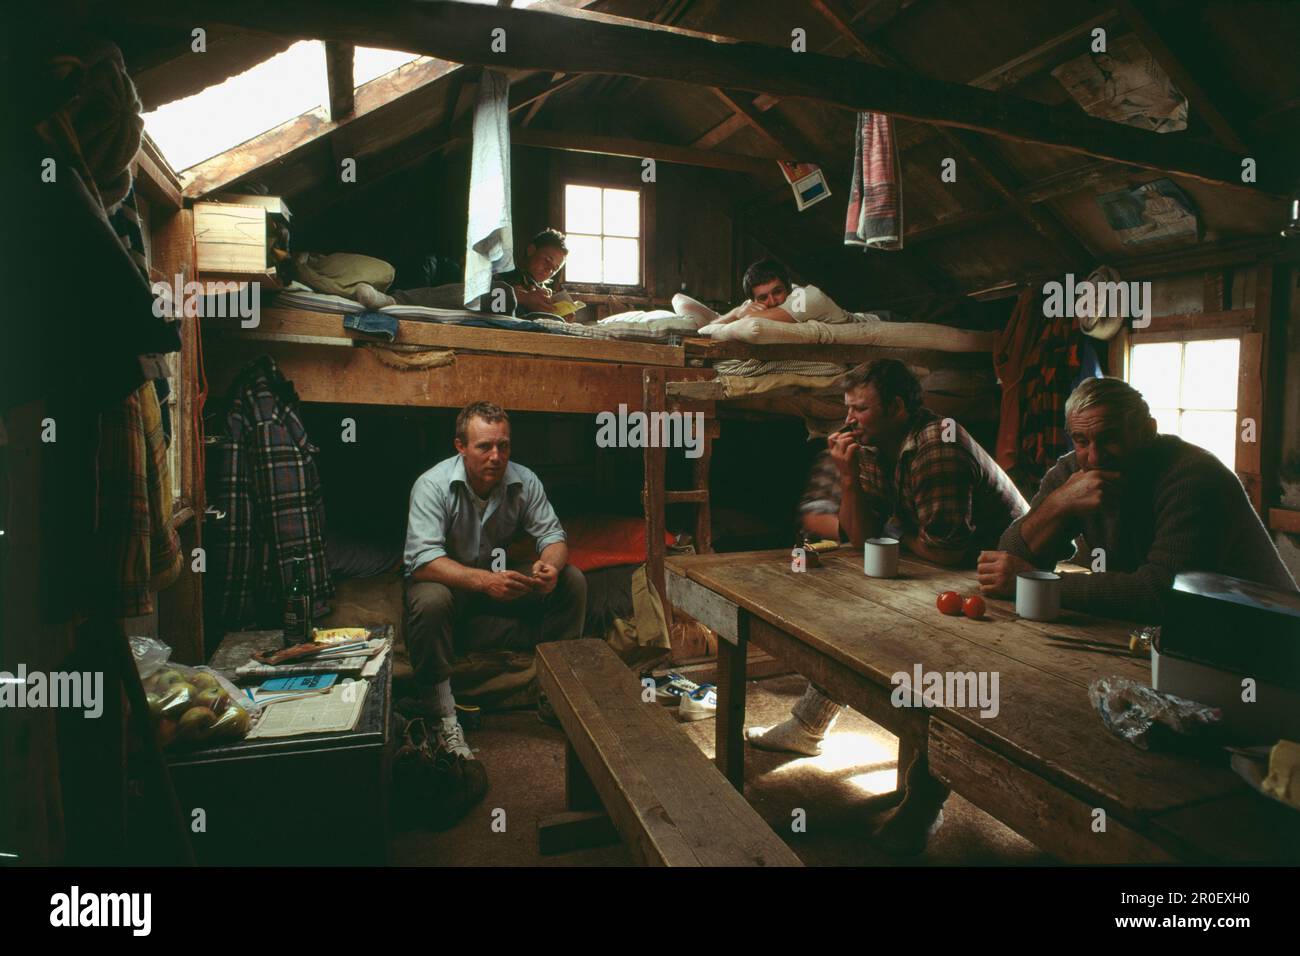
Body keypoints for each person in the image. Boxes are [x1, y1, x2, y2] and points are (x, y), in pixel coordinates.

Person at [746, 359, 1029, 854]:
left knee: (936, 666)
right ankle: (810, 723)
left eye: (862, 409)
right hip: (944, 563)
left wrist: (890, 535)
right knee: (853, 609)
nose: (850, 420)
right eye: (847, 408)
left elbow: (947, 551)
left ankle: (925, 802)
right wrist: (847, 475)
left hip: (1001, 572)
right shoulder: (871, 444)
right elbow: (861, 537)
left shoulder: (936, 446)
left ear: (898, 407)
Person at [977, 377, 1297, 619]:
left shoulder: (1193, 476)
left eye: (1110, 438)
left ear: (1148, 431)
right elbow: (1007, 561)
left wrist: (1036, 585)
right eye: (1081, 440)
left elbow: (1160, 594)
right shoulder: (1073, 472)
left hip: (1265, 635)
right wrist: (1060, 503)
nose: (1095, 455)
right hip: (1187, 631)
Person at [403, 402, 587, 768]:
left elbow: (553, 536)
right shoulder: (432, 485)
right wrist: (485, 582)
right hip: (453, 583)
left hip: (495, 577)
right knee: (429, 601)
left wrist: (548, 567)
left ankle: (555, 698)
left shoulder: (524, 480)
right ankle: (443, 718)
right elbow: (421, 562)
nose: (496, 456)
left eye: (503, 446)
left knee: (571, 580)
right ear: (460, 446)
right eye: (484, 446)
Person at [355, 228, 577, 319]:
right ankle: (392, 300)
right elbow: (483, 291)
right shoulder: (506, 267)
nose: (549, 269)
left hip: (510, 321)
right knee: (492, 291)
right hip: (483, 302)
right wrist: (525, 297)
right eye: (547, 260)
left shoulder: (544, 292)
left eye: (555, 268)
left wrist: (558, 316)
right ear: (531, 250)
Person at [674, 257, 859, 327]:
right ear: (753, 299)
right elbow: (713, 325)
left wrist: (742, 316)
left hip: (869, 319)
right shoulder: (753, 305)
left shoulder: (805, 297)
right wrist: (738, 311)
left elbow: (749, 321)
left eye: (777, 291)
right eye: (763, 297)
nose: (772, 301)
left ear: (788, 285)